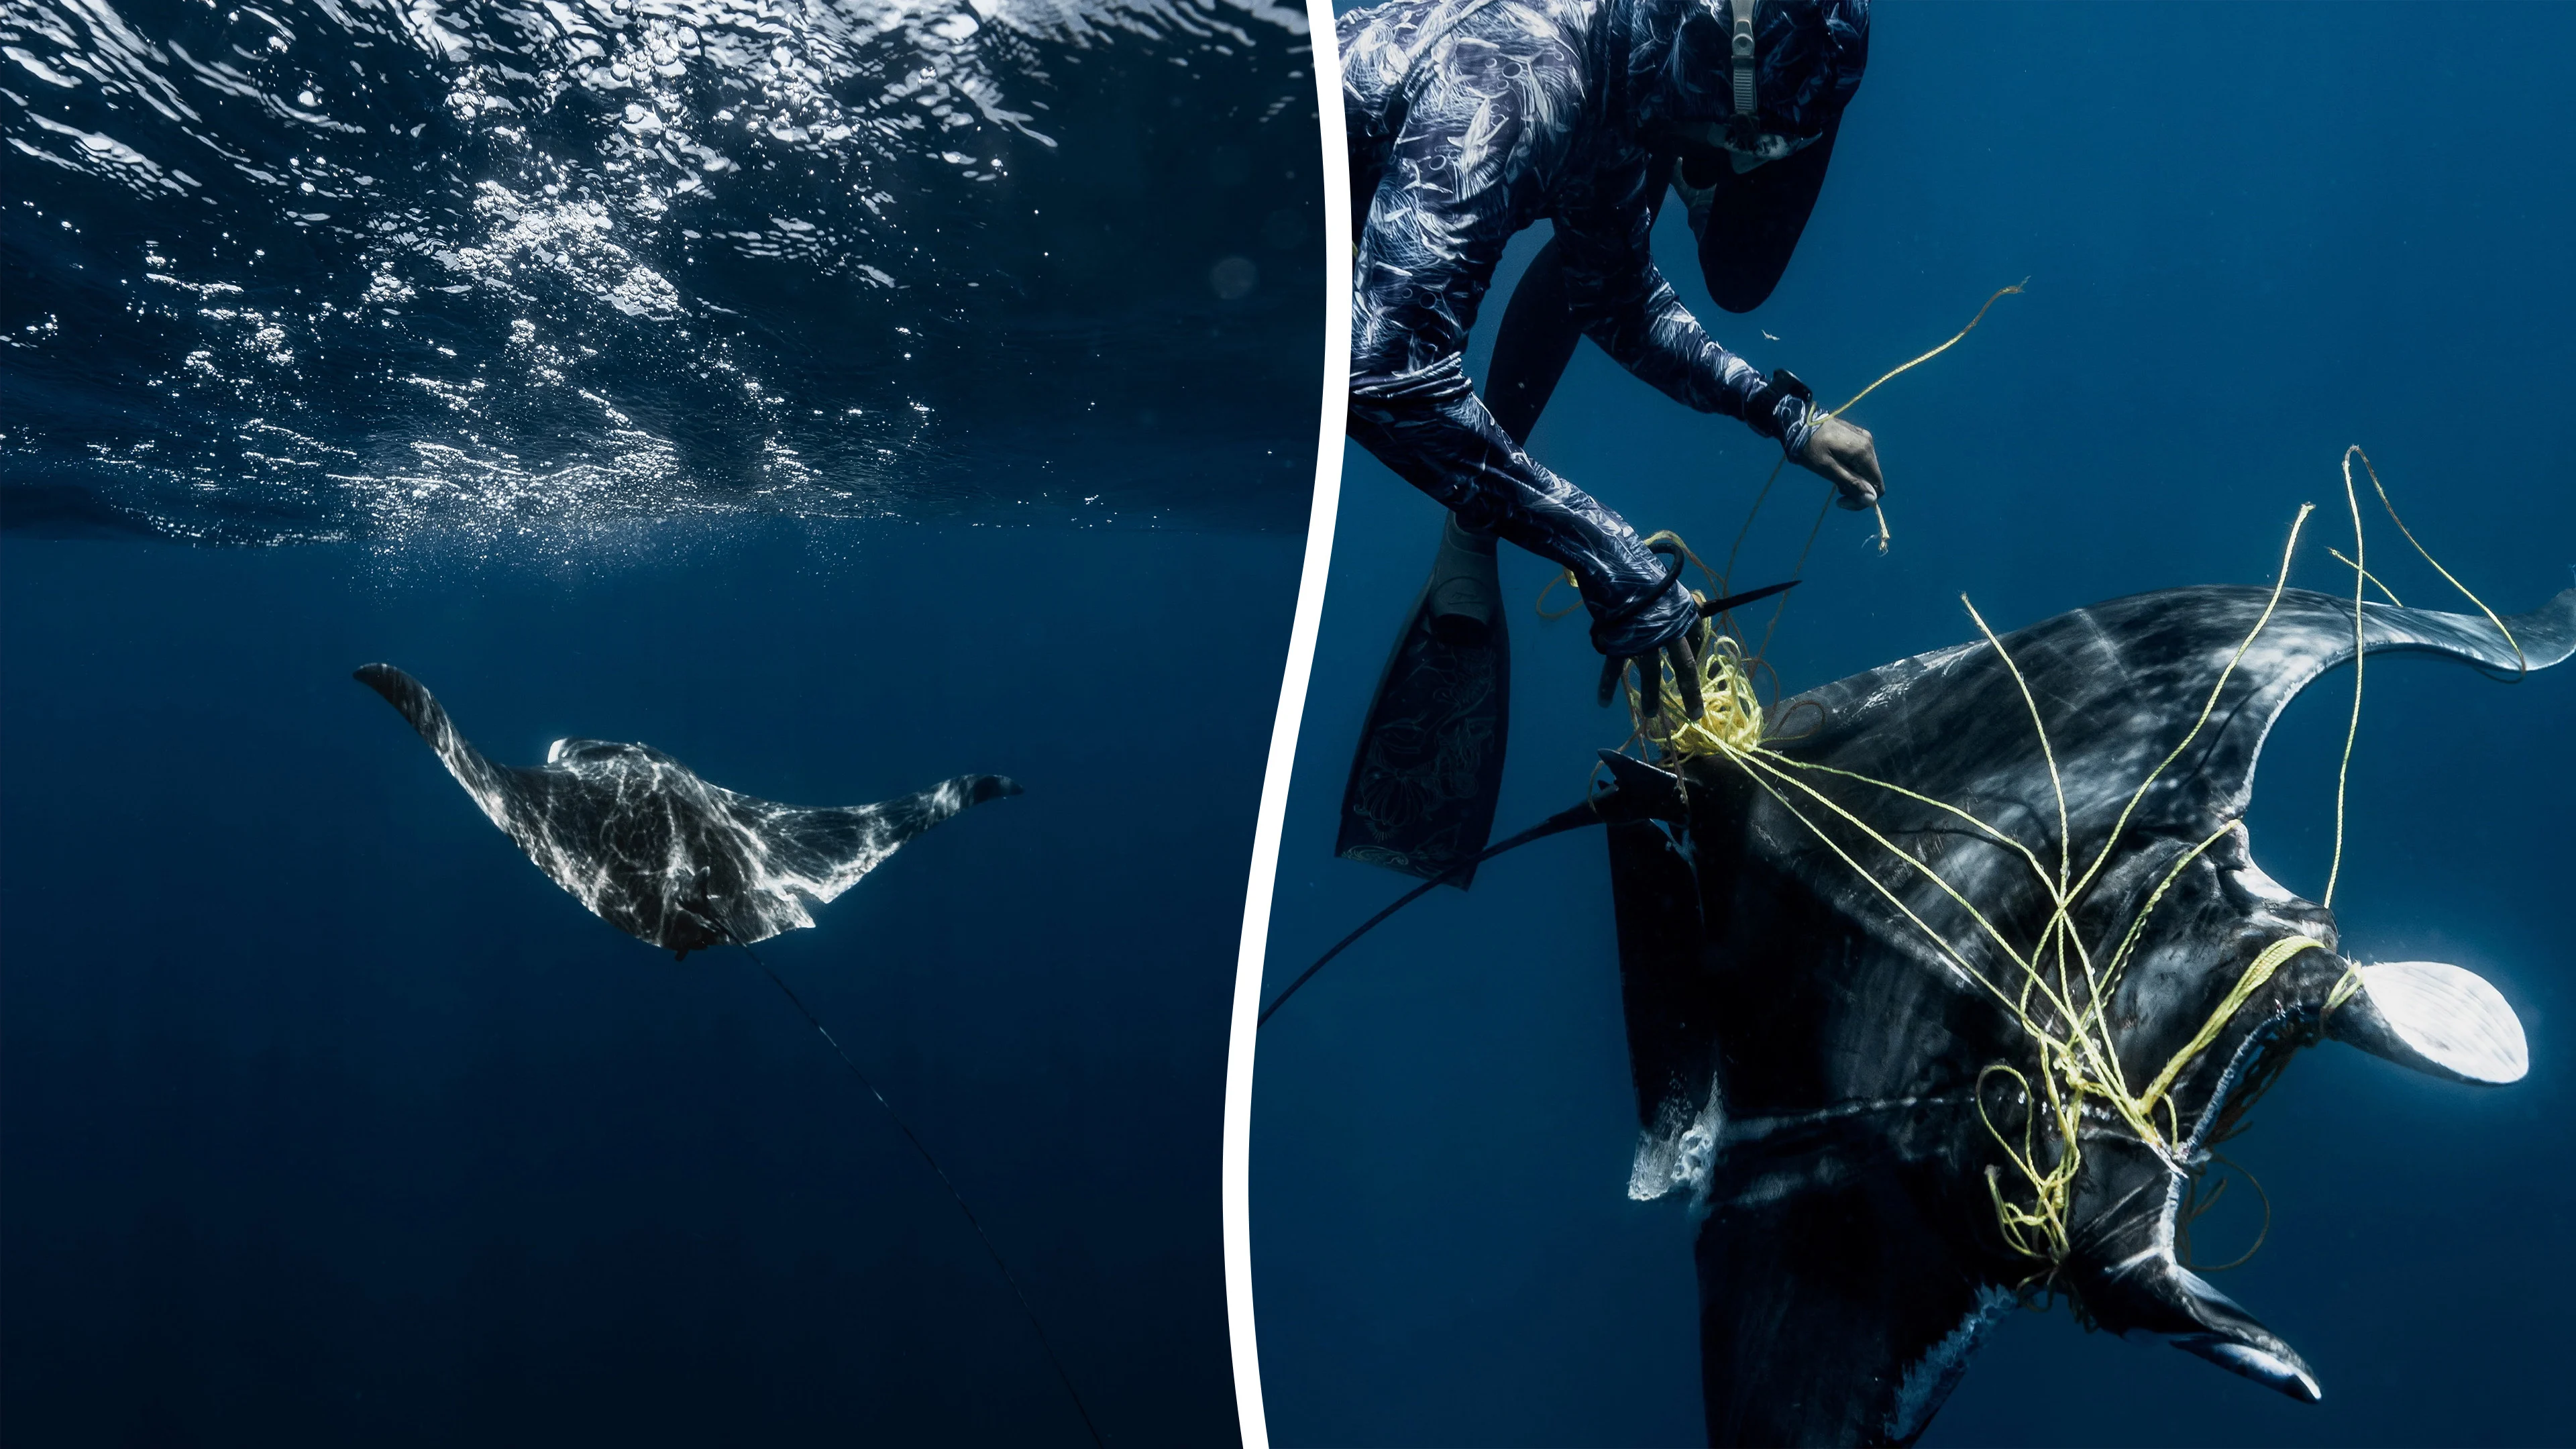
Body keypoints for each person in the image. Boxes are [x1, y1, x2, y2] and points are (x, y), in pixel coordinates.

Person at [1341, 0, 1881, 718]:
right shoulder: (1520, 81)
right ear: (1720, 74)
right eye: (1744, 142)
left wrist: (1784, 415)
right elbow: (1385, 376)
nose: (1731, 165)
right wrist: (1603, 549)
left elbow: (1620, 302)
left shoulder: (1613, 79)